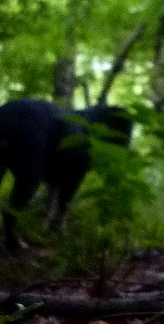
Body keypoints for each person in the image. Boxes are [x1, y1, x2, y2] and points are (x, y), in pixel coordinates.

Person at [0, 98, 133, 251]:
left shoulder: (76, 122)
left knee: (28, 178)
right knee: (29, 179)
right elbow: (69, 183)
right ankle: (14, 235)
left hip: (11, 114)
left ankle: (17, 231)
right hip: (32, 126)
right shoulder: (85, 137)